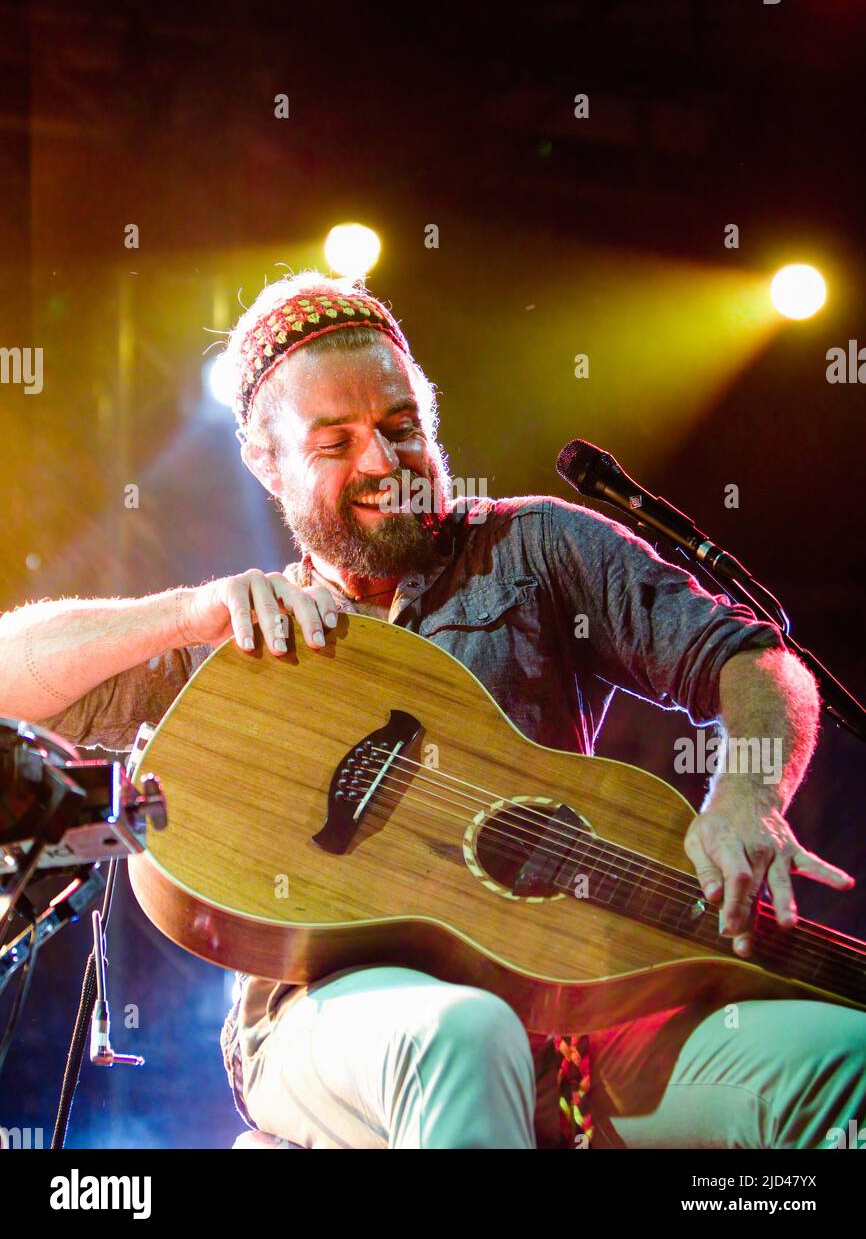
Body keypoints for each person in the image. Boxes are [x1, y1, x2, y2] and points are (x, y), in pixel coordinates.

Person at [1, 271, 863, 1150]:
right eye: (335, 443)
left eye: (401, 427)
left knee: (845, 1057)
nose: (383, 463)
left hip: (581, 1011)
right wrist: (186, 615)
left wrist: (747, 799)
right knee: (463, 1032)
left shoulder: (535, 546)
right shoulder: (236, 641)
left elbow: (753, 658)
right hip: (324, 1022)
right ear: (268, 464)